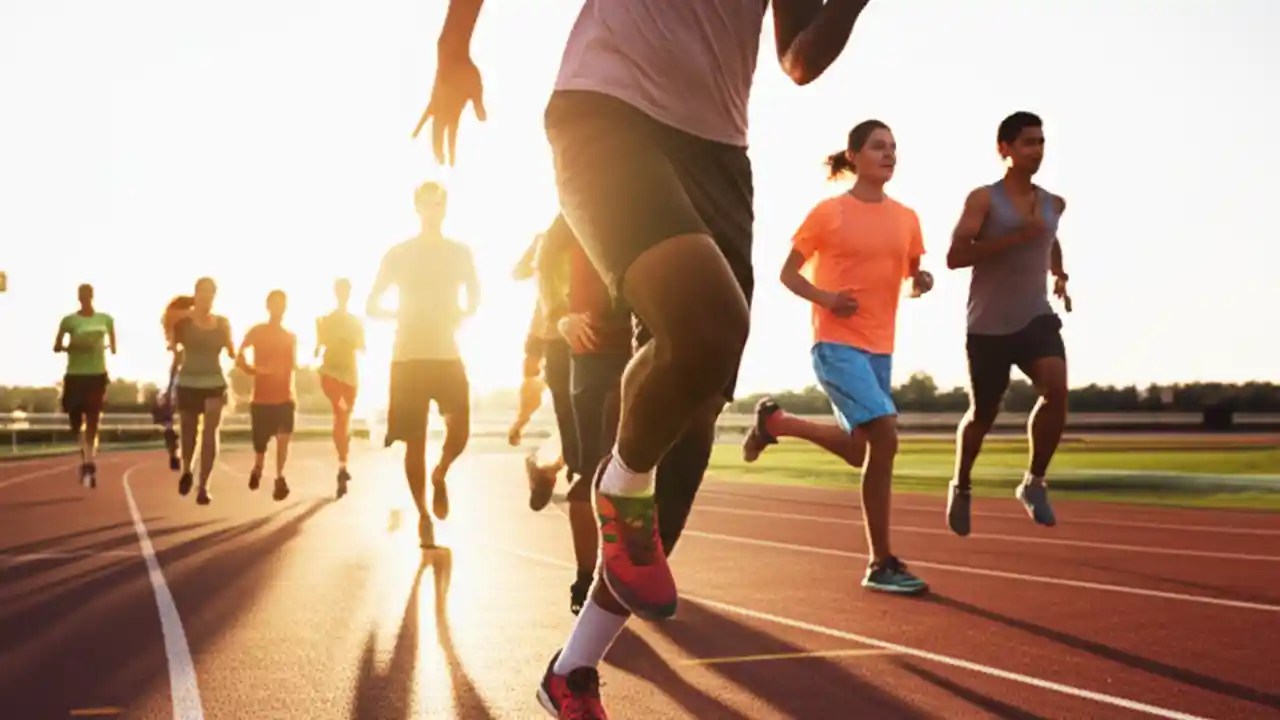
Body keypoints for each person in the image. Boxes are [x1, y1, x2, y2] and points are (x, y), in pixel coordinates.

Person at [419, 2, 871, 716]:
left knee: (689, 437)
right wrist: (454, 47)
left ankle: (574, 669)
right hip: (608, 111)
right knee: (711, 330)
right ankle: (618, 480)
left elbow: (798, 59)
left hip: (720, 155)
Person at [742, 120, 931, 595]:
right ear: (854, 156)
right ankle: (880, 561)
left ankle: (776, 423)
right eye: (877, 147)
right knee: (885, 436)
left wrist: (920, 281)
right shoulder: (829, 213)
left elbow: (912, 269)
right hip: (836, 342)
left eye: (893, 148)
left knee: (860, 450)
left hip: (879, 349)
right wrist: (827, 299)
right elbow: (787, 274)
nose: (888, 155)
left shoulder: (907, 217)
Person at [945, 111, 1072, 535]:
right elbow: (955, 256)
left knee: (1056, 390)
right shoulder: (983, 200)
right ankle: (961, 485)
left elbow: (1050, 238)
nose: (1036, 150)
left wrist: (1059, 274)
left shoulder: (1054, 203)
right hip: (988, 326)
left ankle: (1034, 482)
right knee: (982, 413)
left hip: (1035, 317)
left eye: (1041, 142)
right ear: (1005, 149)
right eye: (1027, 143)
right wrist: (1014, 239)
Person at [367, 181, 479, 549]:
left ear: (445, 208)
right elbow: (372, 304)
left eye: (439, 203)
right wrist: (400, 312)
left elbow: (475, 296)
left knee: (460, 431)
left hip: (446, 353)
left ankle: (441, 472)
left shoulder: (459, 253)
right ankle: (423, 517)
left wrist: (463, 312)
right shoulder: (398, 253)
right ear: (417, 207)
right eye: (427, 203)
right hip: (408, 357)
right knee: (413, 443)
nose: (433, 208)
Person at [554, 214, 632, 616]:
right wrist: (560, 315)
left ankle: (623, 572)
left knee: (631, 466)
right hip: (589, 349)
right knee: (591, 471)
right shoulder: (576, 199)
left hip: (643, 346)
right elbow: (545, 264)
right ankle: (587, 578)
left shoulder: (659, 191)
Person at [512, 225, 582, 513]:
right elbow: (518, 273)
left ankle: (548, 464)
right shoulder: (547, 239)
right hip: (551, 332)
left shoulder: (604, 228)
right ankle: (530, 436)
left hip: (594, 332)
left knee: (584, 416)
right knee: (570, 412)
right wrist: (536, 251)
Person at [172, 277, 236, 505]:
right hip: (188, 381)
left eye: (211, 293)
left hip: (214, 381)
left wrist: (240, 358)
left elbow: (231, 350)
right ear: (196, 294)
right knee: (188, 432)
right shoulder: (183, 323)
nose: (207, 297)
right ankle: (187, 469)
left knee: (211, 431)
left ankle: (204, 486)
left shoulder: (222, 323)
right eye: (203, 293)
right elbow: (175, 351)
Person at [238, 290, 298, 502]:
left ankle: (280, 478)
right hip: (261, 399)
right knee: (260, 445)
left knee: (284, 438)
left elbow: (293, 367)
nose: (278, 309)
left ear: (285, 308)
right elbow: (240, 354)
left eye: (282, 305)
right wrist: (255, 370)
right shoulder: (257, 331)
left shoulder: (290, 337)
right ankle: (258, 468)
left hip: (284, 398)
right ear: (268, 306)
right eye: (274, 304)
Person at [53, 283, 115, 488]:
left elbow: (113, 347)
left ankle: (89, 463)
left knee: (94, 421)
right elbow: (56, 346)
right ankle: (86, 456)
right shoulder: (69, 321)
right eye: (82, 296)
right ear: (78, 298)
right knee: (76, 423)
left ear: (92, 296)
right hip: (75, 375)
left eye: (87, 295)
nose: (85, 299)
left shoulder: (105, 319)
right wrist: (73, 346)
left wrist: (101, 346)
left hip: (96, 375)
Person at [316, 278, 366, 498]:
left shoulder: (356, 321)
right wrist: (327, 339)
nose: (343, 294)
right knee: (341, 411)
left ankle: (342, 466)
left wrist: (350, 341)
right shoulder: (326, 319)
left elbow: (362, 346)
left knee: (342, 419)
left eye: (346, 291)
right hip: (331, 373)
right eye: (340, 291)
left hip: (350, 375)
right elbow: (319, 346)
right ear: (335, 293)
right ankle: (342, 462)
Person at [154, 295, 195, 471]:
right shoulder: (186, 321)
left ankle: (175, 451)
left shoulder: (171, 322)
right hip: (186, 373)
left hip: (178, 373)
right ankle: (180, 454)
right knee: (184, 419)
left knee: (170, 419)